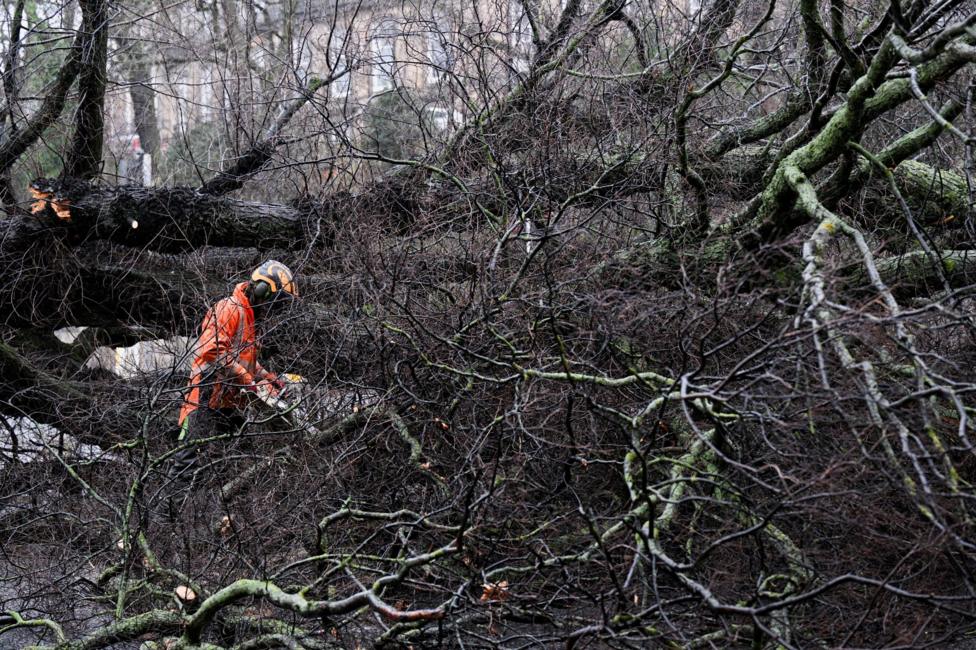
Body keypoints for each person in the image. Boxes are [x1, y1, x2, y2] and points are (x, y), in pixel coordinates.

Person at [170, 260, 298, 481]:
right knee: (186, 465)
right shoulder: (230, 308)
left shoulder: (250, 319)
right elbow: (212, 351)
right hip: (204, 397)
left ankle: (218, 512)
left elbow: (244, 361)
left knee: (235, 461)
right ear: (261, 290)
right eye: (274, 302)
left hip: (227, 402)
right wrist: (248, 379)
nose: (273, 309)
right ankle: (164, 515)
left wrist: (266, 377)